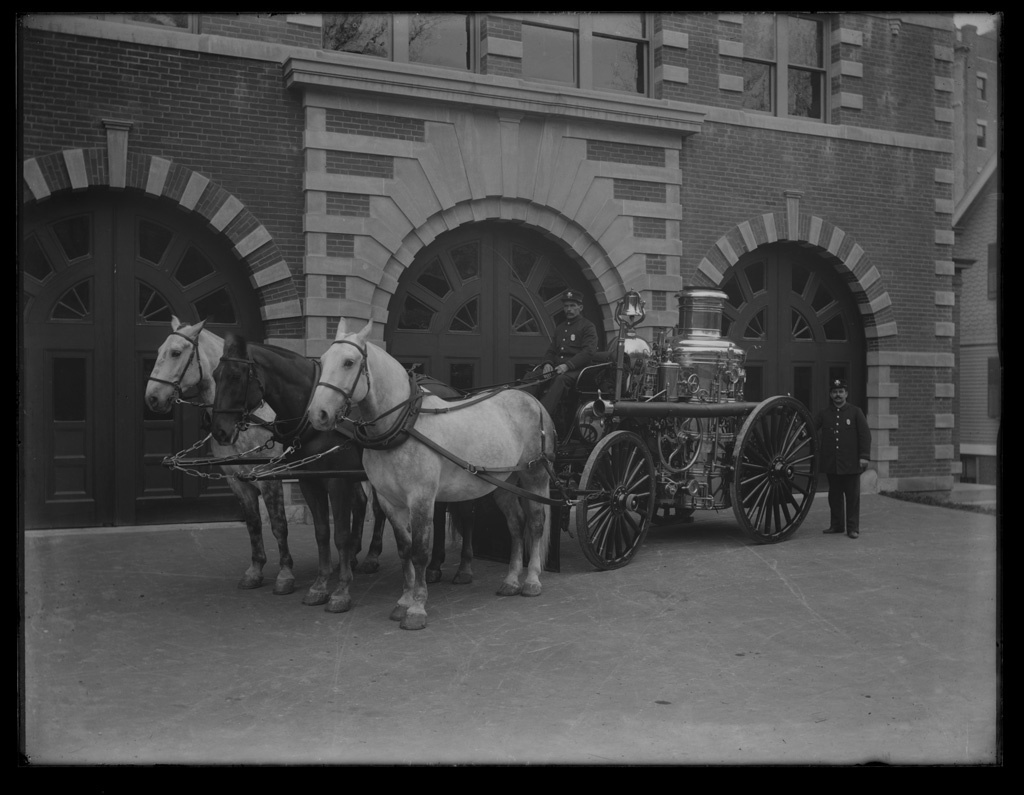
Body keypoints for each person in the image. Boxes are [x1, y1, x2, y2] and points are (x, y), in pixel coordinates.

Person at [814, 378, 871, 539]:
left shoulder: (855, 412)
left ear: (846, 394)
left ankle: (853, 528)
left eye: (840, 392)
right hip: (833, 464)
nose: (837, 395)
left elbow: (865, 435)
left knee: (852, 497)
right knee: (835, 496)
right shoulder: (824, 414)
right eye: (834, 392)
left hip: (852, 463)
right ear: (831, 395)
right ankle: (837, 525)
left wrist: (864, 457)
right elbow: (811, 428)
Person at [532, 290, 598, 425]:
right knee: (532, 375)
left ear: (580, 307)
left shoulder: (588, 326)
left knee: (560, 380)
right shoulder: (560, 328)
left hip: (576, 370)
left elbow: (588, 352)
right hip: (557, 368)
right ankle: (522, 407)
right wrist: (547, 364)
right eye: (566, 306)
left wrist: (567, 365)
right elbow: (551, 350)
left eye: (573, 305)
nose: (569, 309)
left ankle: (540, 416)